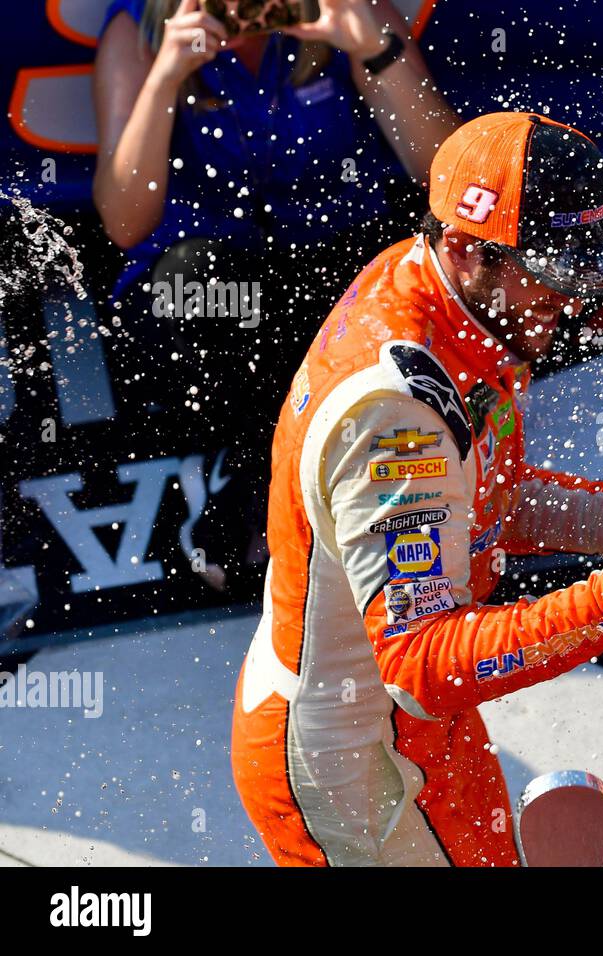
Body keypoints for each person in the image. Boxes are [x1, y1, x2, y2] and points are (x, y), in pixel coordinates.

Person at [229, 111, 603, 867]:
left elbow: (476, 501)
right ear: (465, 249)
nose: (569, 303)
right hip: (354, 769)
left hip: (414, 730)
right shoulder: (395, 415)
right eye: (552, 276)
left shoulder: (450, 294)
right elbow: (421, 666)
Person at [93, 0, 461, 592]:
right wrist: (165, 75)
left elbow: (450, 181)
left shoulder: (346, 10)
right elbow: (125, 222)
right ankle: (243, 481)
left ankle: (386, 492)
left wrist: (376, 49)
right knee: (199, 277)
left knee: (395, 267)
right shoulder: (142, 27)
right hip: (216, 297)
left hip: (328, 268)